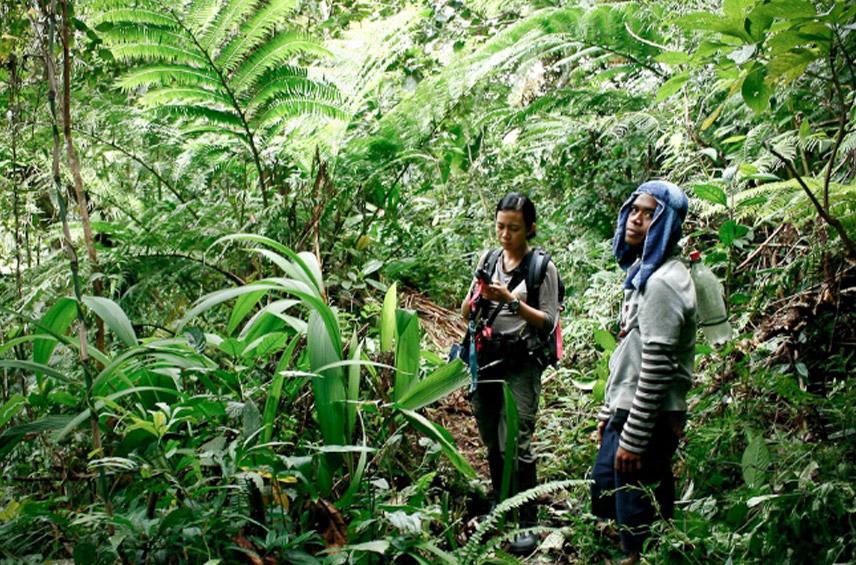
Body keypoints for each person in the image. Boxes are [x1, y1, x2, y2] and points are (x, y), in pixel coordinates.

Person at [590, 180, 696, 564]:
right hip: (628, 405)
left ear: (666, 223)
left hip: (645, 416)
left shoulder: (663, 283)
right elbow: (629, 350)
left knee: (637, 511)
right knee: (607, 489)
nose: (636, 219)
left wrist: (632, 438)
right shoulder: (644, 275)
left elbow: (657, 363)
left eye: (648, 213)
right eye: (633, 210)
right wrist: (608, 411)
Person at [460, 192, 560, 555]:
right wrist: (477, 299)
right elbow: (465, 312)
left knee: (516, 440)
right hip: (486, 358)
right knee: (492, 439)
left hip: (522, 361)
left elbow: (548, 321)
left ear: (529, 228)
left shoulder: (541, 268)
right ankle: (500, 506)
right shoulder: (488, 260)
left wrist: (510, 301)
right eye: (500, 227)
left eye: (513, 229)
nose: (505, 235)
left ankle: (526, 520)